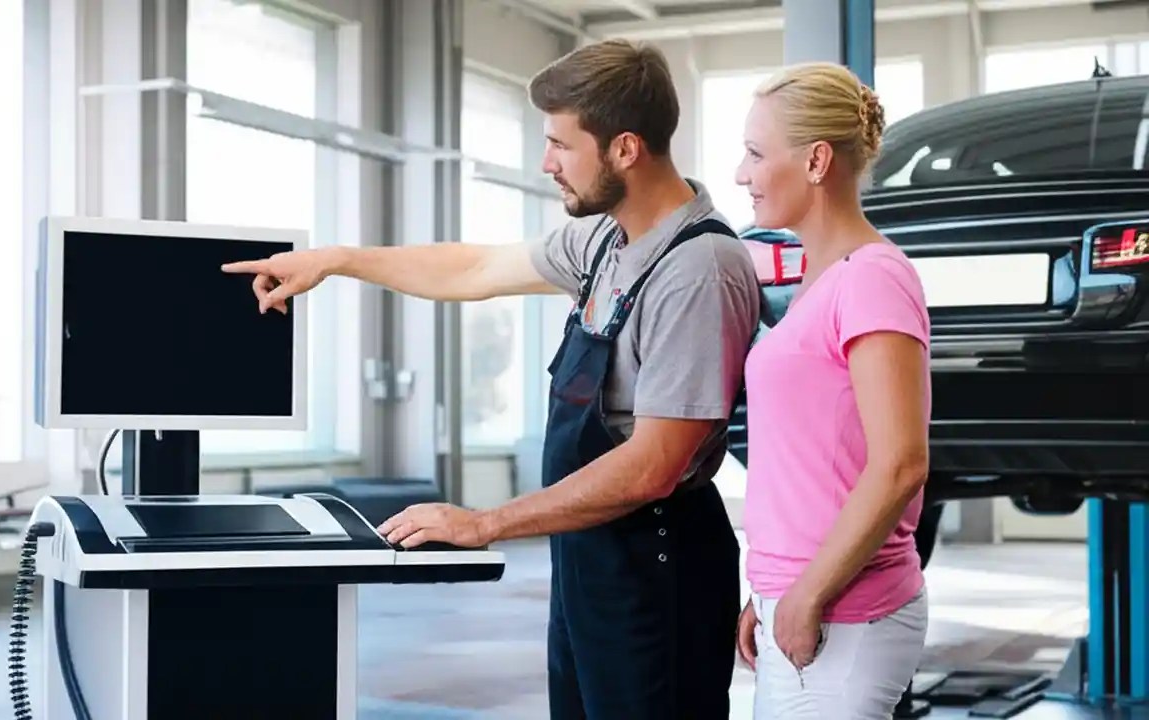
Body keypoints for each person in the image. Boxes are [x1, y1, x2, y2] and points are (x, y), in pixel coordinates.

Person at [223, 39, 760, 720]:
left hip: (658, 570)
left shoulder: (698, 269)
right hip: (590, 564)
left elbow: (654, 466)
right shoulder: (606, 240)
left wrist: (486, 523)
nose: (547, 164)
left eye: (561, 145)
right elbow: (474, 269)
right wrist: (338, 260)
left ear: (625, 149)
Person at [731, 62, 932, 719]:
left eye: (756, 154)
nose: (742, 174)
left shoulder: (871, 278)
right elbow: (814, 460)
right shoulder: (821, 282)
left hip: (846, 612)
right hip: (803, 603)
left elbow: (901, 462)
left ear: (817, 160)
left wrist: (807, 593)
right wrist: (769, 592)